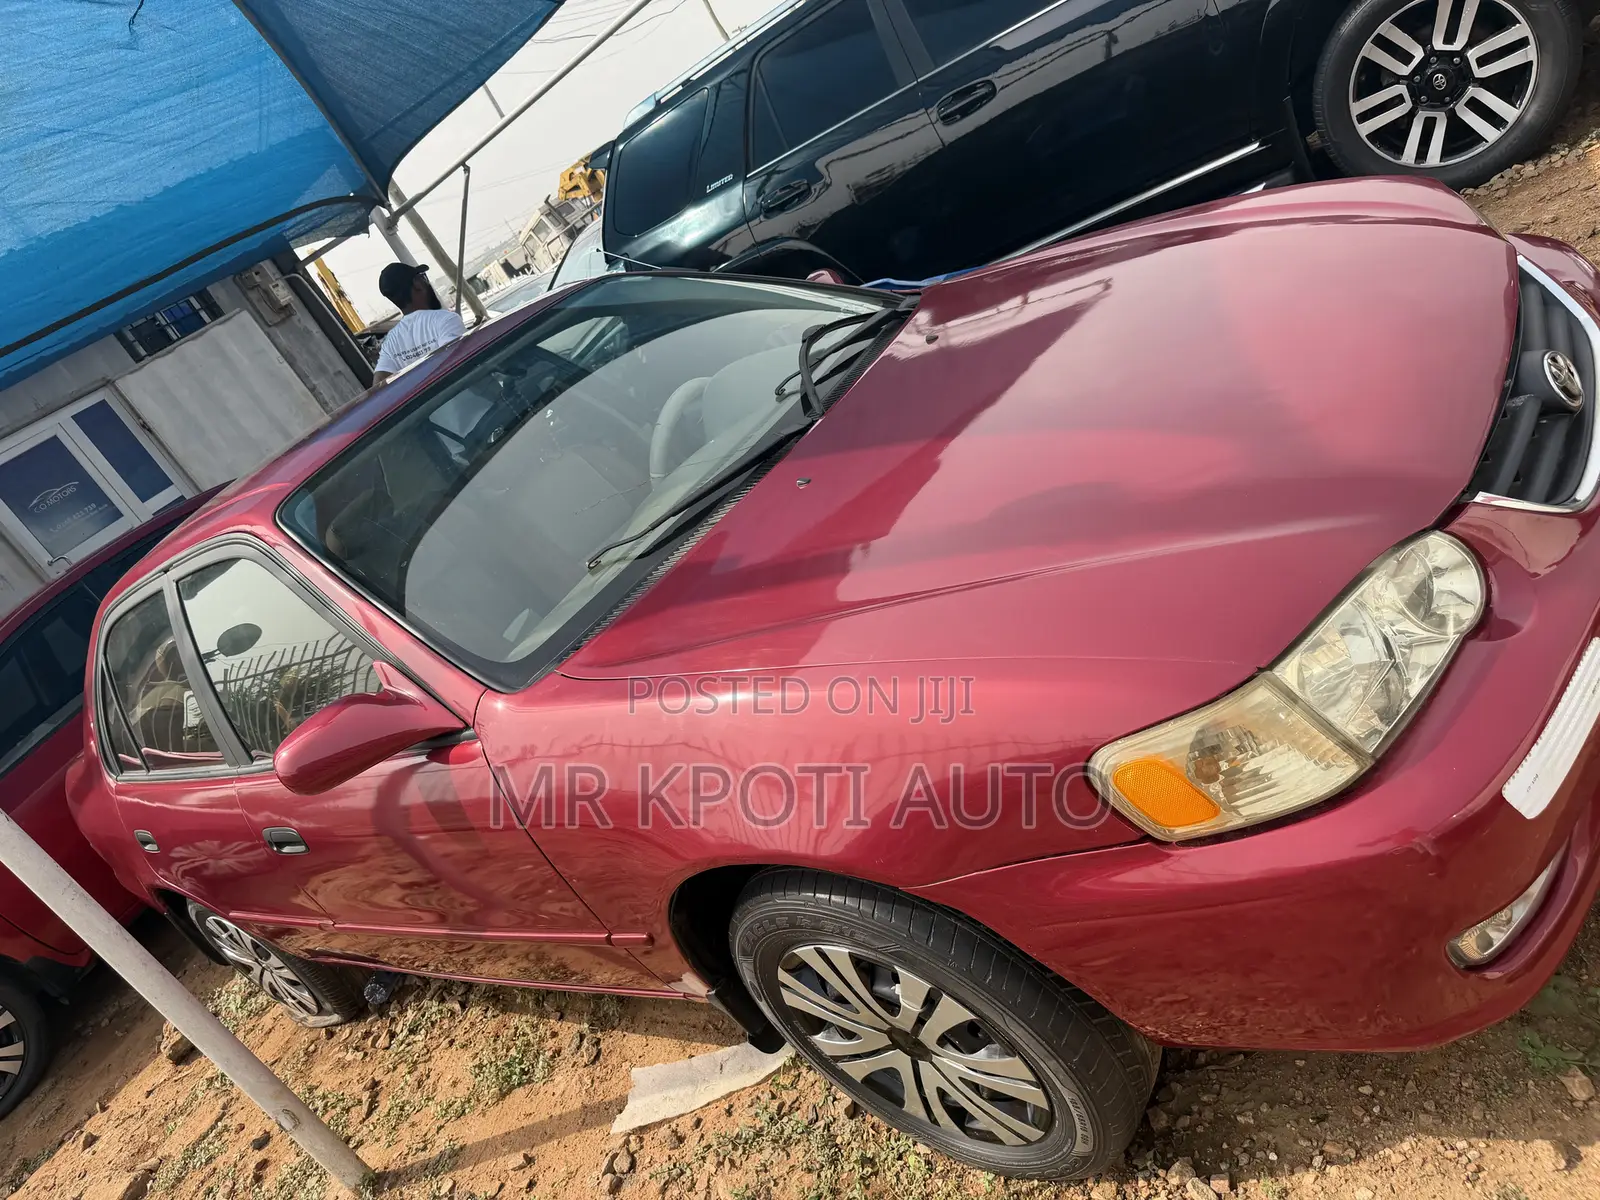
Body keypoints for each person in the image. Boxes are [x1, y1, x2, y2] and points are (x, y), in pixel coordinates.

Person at [372, 263, 466, 385]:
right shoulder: (445, 320)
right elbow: (458, 363)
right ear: (418, 283)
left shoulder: (391, 343)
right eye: (423, 277)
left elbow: (378, 386)